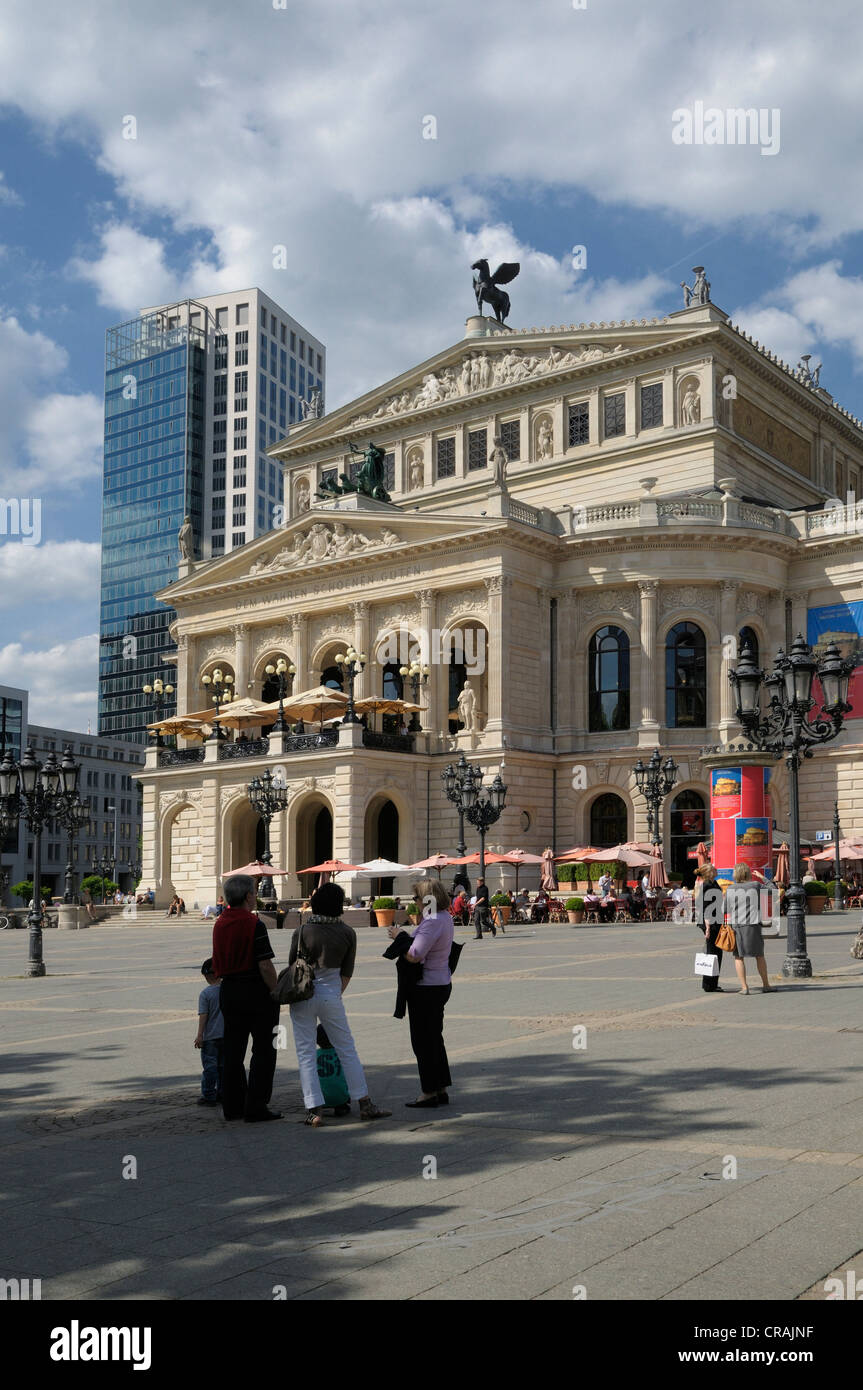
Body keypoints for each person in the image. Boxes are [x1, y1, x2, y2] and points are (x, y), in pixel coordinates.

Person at [288, 882, 391, 1126]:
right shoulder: (347, 933)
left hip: (303, 995)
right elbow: (347, 973)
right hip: (331, 993)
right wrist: (334, 994)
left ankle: (314, 1110)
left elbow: (293, 964)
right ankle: (364, 1102)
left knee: (305, 1052)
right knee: (347, 1049)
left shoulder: (302, 931)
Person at [212, 874, 281, 1122]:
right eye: (253, 892)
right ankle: (256, 1106)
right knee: (264, 1050)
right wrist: (276, 992)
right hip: (256, 992)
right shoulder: (254, 924)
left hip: (229, 991)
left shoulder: (219, 923)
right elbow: (265, 965)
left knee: (233, 1050)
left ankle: (232, 1106)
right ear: (248, 896)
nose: (255, 896)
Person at [386, 877, 454, 1108]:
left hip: (426, 987)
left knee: (423, 1041)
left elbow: (415, 954)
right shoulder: (443, 916)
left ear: (426, 899)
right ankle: (441, 1087)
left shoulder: (432, 920)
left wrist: (399, 937)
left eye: (416, 898)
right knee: (435, 1038)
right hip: (440, 982)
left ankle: (428, 1092)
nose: (414, 902)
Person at [727, 863, 775, 995]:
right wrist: (761, 877)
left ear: (735, 874)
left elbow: (724, 909)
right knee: (759, 955)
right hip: (753, 925)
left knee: (738, 957)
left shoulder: (731, 889)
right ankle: (766, 985)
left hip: (737, 926)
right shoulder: (755, 885)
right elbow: (773, 889)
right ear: (748, 873)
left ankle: (744, 987)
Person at [194, 957, 224, 1106]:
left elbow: (203, 1015)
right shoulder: (227, 990)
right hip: (226, 1035)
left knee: (210, 1067)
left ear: (206, 976)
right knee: (223, 1067)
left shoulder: (205, 994)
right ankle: (222, 1093)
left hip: (211, 1037)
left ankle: (208, 1095)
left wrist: (200, 1035)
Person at [695, 864, 726, 993]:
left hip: (716, 921)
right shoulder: (707, 885)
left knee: (717, 953)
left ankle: (713, 983)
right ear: (709, 872)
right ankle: (708, 984)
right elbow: (706, 907)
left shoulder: (714, 883)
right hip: (710, 922)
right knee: (712, 953)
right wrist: (707, 928)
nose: (716, 869)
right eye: (714, 869)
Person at [315, 1024, 351, 1117]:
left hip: (320, 1099)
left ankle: (315, 1109)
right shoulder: (341, 1053)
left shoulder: (314, 1055)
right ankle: (341, 1107)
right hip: (341, 1097)